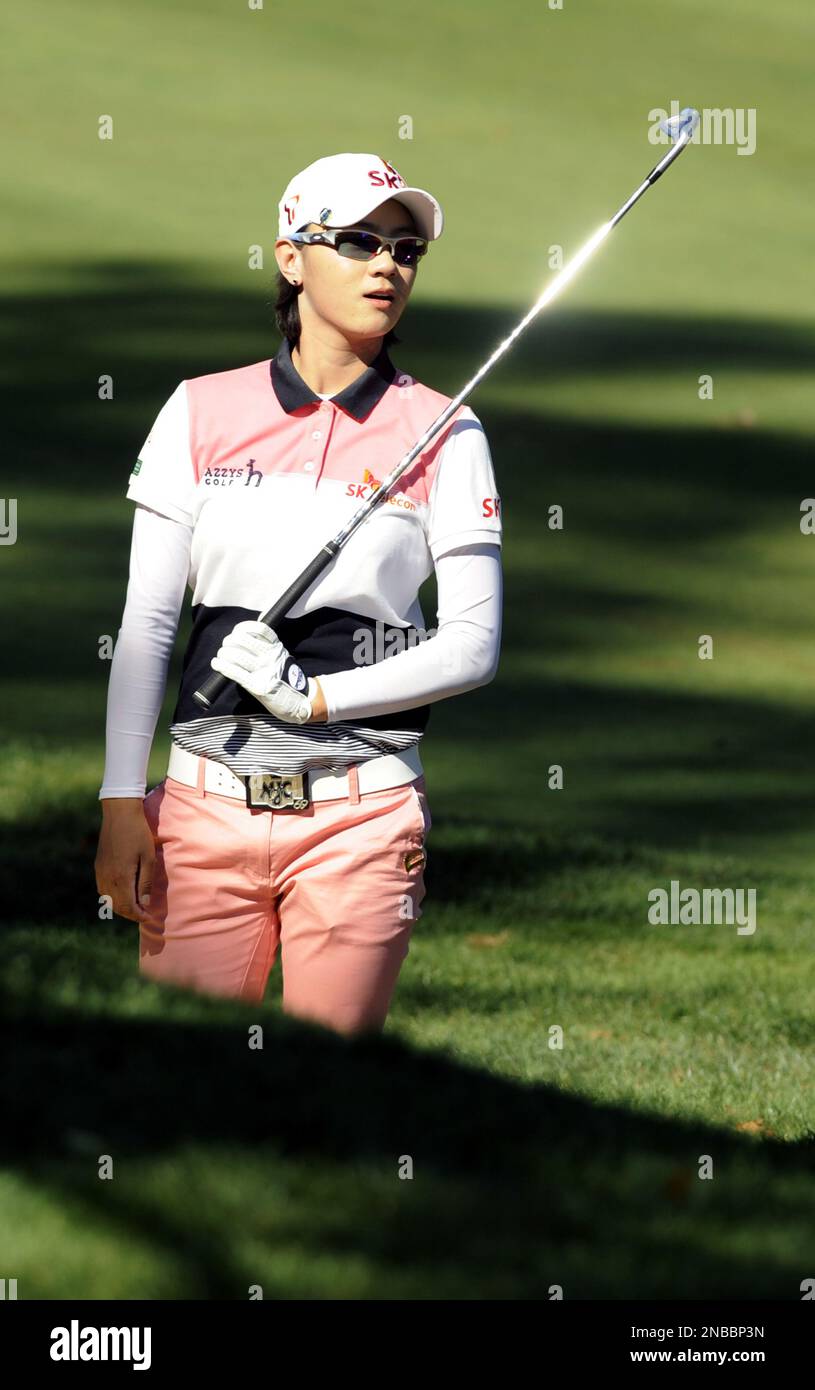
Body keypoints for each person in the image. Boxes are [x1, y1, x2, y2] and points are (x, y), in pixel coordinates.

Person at [94, 152, 503, 1037]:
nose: (387, 266)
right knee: (184, 1090)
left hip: (363, 815)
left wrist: (314, 700)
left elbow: (472, 645)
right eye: (358, 242)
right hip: (200, 812)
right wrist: (120, 800)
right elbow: (147, 625)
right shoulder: (198, 410)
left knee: (328, 1088)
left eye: (405, 249)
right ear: (289, 258)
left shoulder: (447, 428)